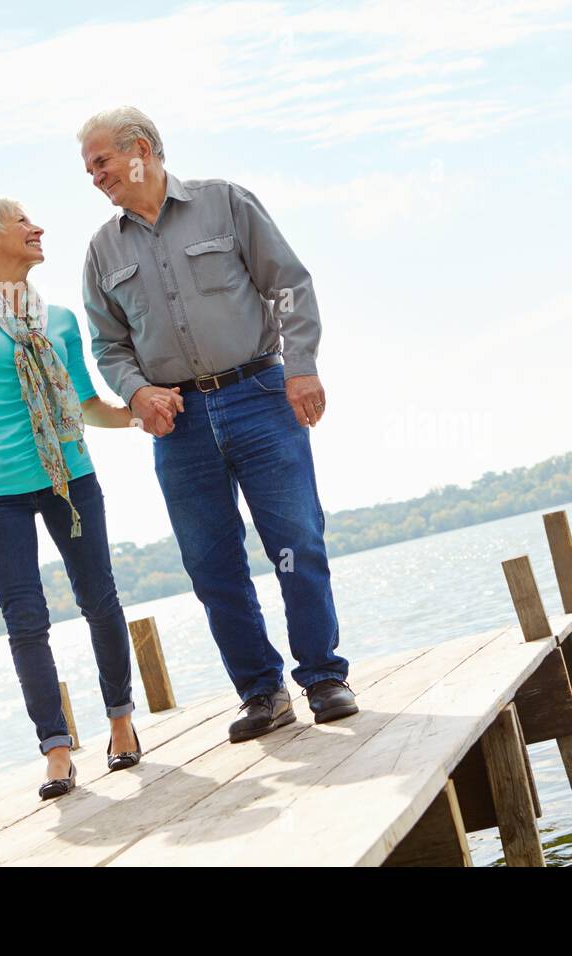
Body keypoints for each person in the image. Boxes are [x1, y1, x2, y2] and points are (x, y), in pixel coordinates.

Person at [77, 106, 356, 743]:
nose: (95, 177)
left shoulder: (224, 203)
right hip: (179, 423)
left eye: (102, 162)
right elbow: (109, 345)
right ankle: (262, 691)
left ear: (140, 148)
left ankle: (323, 677)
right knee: (210, 564)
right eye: (90, 167)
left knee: (296, 539)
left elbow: (288, 286)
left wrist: (302, 366)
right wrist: (138, 390)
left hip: (259, 393)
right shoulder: (102, 249)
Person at [0, 197, 180, 799]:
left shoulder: (61, 319)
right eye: (21, 221)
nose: (36, 227)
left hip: (71, 479)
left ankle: (121, 722)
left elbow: (85, 405)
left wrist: (138, 414)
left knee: (100, 598)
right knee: (26, 621)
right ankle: (56, 748)